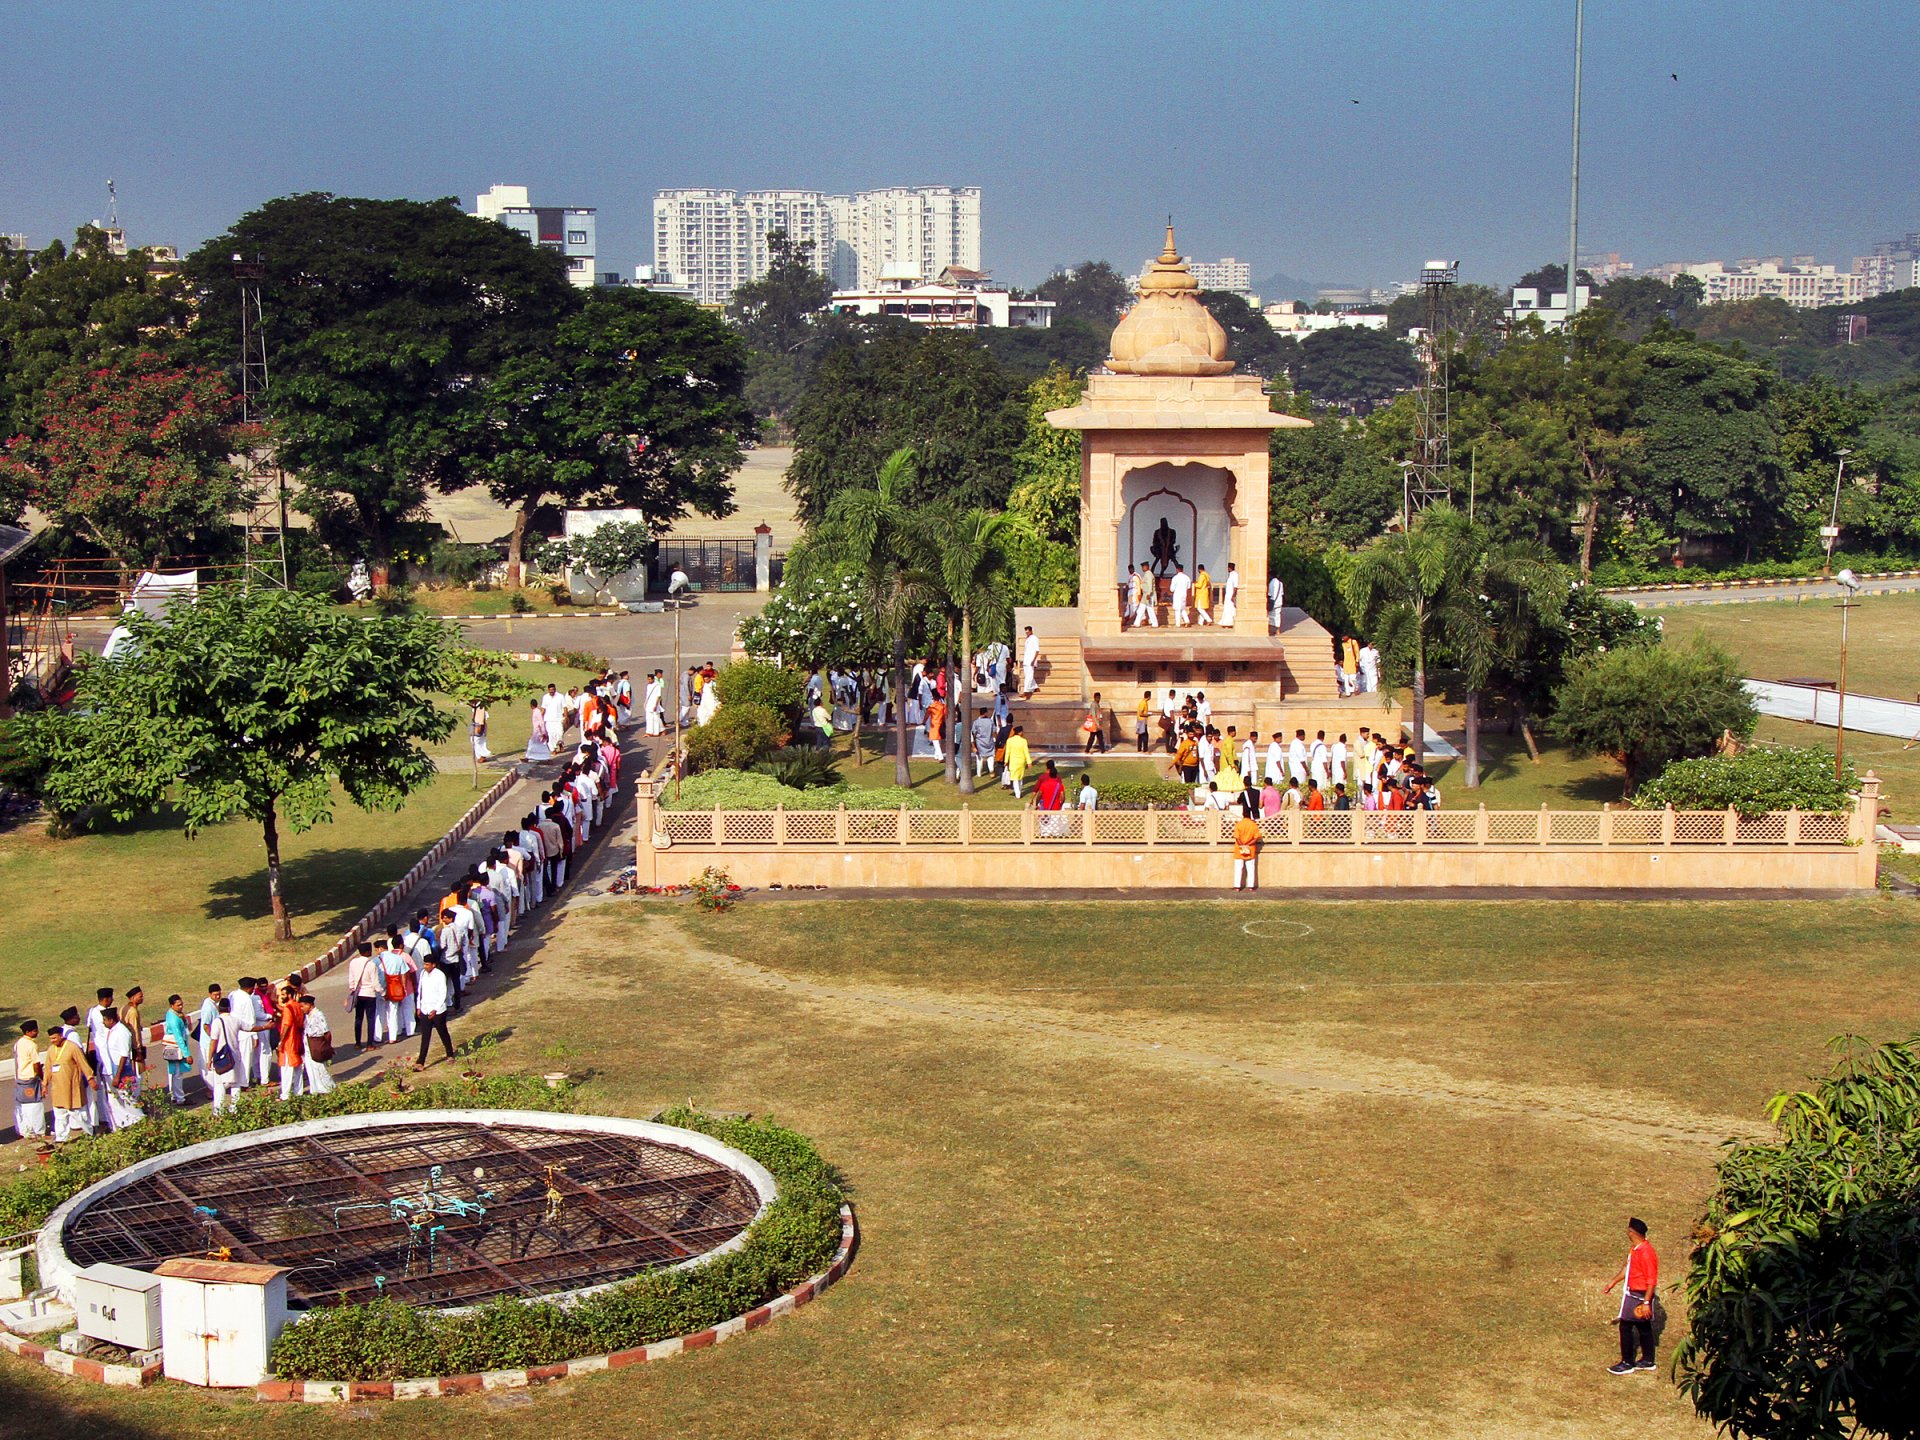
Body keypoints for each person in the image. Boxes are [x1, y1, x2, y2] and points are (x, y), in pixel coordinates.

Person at [1603, 1218, 1660, 1375]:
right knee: (1643, 1326)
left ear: (1632, 1232)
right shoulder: (1635, 1249)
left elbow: (1651, 1280)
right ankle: (1648, 1360)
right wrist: (1613, 1282)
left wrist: (1647, 1302)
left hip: (1639, 1296)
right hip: (1633, 1293)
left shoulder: (1646, 1253)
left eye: (1628, 1231)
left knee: (1626, 1326)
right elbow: (1627, 1268)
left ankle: (1627, 1362)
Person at [46, 1025, 95, 1142]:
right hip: (58, 1089)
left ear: (61, 1036)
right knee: (59, 1115)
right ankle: (61, 1138)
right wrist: (44, 1084)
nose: (52, 1041)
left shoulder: (72, 1047)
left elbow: (83, 1064)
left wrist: (90, 1078)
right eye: (50, 1039)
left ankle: (89, 1133)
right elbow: (48, 1068)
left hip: (72, 1087)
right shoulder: (51, 1050)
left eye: (54, 1038)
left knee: (78, 1114)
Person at [413, 956, 456, 1069]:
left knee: (443, 1033)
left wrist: (435, 1009)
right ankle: (421, 1061)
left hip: (438, 1011)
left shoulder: (439, 975)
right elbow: (420, 991)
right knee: (425, 1036)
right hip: (425, 1009)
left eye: (427, 964)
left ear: (434, 965)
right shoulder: (422, 974)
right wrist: (418, 1007)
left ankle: (450, 1053)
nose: (425, 966)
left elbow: (443, 993)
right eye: (424, 964)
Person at [13, 1021, 45, 1140]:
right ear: (28, 1032)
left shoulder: (18, 1043)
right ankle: (38, 1131)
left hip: (20, 1078)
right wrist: (41, 1077)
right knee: (35, 1105)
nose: (37, 1033)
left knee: (23, 1106)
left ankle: (25, 1130)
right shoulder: (31, 1045)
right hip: (30, 1079)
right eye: (35, 1031)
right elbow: (36, 1064)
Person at [161, 996, 193, 1104]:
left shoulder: (173, 1014)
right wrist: (187, 1054)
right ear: (172, 1005)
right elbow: (179, 1037)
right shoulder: (174, 1019)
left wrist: (183, 1019)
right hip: (176, 1048)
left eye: (181, 1004)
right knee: (177, 1074)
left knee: (173, 1072)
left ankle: (174, 1096)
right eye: (178, 1005)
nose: (181, 1007)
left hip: (174, 1048)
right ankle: (180, 1098)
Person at [1232, 808, 1262, 891]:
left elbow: (1237, 837)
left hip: (1239, 849)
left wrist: (1242, 845)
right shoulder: (1254, 825)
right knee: (1251, 868)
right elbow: (1256, 838)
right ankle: (1251, 886)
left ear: (1243, 814)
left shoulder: (1239, 824)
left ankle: (1237, 886)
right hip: (1250, 849)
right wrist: (1248, 844)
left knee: (1238, 867)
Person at [1002, 724, 1032, 799]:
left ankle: (1017, 794)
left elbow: (1007, 752)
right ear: (1019, 732)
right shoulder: (1023, 741)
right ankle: (1019, 790)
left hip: (1013, 762)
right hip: (1021, 762)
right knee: (1020, 777)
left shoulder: (1009, 741)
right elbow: (1026, 752)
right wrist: (1029, 762)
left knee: (1015, 778)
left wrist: (1006, 761)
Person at [525, 697, 553, 762]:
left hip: (538, 732)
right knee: (536, 744)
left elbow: (541, 722)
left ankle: (546, 758)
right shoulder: (536, 711)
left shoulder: (537, 712)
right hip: (537, 731)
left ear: (531, 706)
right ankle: (529, 757)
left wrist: (543, 733)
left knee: (534, 743)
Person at [1134, 563, 1159, 627]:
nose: (1142, 568)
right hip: (1145, 594)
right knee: (1141, 609)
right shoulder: (1147, 574)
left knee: (1150, 609)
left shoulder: (1149, 574)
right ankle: (1136, 623)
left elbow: (1150, 584)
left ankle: (1155, 623)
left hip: (1148, 594)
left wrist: (1149, 593)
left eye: (1143, 567)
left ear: (1146, 567)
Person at [644, 670, 666, 736]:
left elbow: (658, 696)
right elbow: (647, 695)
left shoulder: (657, 686)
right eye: (648, 679)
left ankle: (661, 730)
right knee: (649, 718)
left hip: (655, 704)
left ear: (653, 679)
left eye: (650, 679)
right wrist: (645, 702)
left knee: (656, 718)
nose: (649, 680)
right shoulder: (648, 686)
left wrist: (656, 705)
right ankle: (649, 732)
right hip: (649, 704)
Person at [1021, 626, 1040, 696]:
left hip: (1031, 660)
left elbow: (1037, 650)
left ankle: (1026, 691)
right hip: (1026, 659)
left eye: (1028, 631)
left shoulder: (1034, 638)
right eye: (1025, 632)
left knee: (1029, 676)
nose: (1026, 633)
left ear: (1031, 631)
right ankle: (1035, 687)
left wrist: (1033, 660)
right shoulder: (1027, 639)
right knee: (1027, 675)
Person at [1222, 562, 1239, 626]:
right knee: (1227, 609)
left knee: (1231, 609)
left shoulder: (1235, 575)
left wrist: (1233, 595)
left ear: (1229, 568)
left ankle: (1230, 623)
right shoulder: (1231, 575)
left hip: (1231, 595)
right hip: (1228, 595)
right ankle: (1226, 622)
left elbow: (1235, 586)